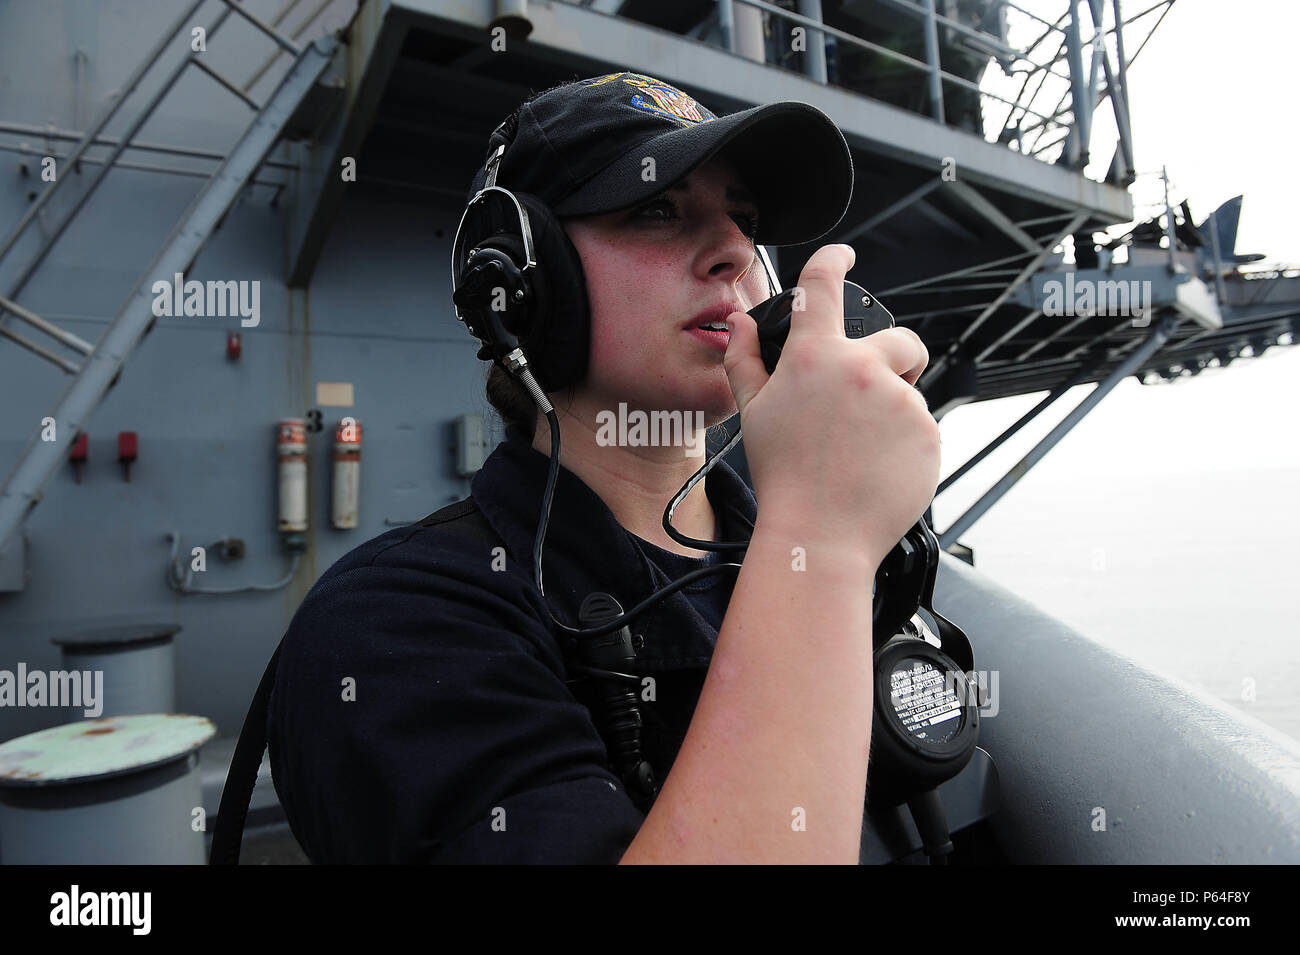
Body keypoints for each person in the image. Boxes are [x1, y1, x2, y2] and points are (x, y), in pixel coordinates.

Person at [267, 71, 937, 864]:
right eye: (656, 209)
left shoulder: (814, 554)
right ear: (523, 279)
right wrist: (823, 540)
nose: (734, 250)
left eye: (746, 221)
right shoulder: (388, 625)